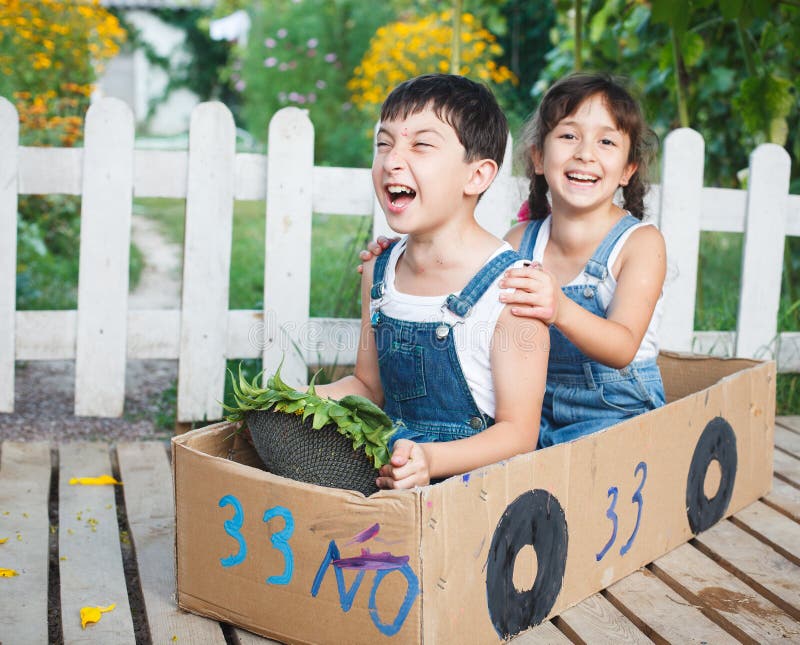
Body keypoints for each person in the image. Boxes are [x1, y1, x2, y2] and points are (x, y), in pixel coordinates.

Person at [360, 72, 666, 448]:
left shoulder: (640, 243)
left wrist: (561, 309)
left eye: (606, 141)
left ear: (628, 170)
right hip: (532, 407)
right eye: (568, 136)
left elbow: (622, 348)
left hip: (614, 410)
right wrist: (400, 260)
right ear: (538, 157)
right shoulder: (521, 240)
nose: (585, 153)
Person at [317, 73, 548, 490]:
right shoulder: (379, 271)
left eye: (421, 145)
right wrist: (297, 400)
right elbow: (368, 387)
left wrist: (431, 459)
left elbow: (519, 434)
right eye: (383, 144)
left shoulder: (513, 291)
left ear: (476, 176)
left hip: (476, 495)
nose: (391, 160)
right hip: (392, 476)